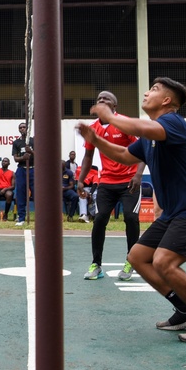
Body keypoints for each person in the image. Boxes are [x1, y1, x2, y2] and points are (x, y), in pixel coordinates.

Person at [77, 78, 186, 343]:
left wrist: (109, 117)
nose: (147, 93)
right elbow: (124, 155)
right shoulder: (150, 138)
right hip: (173, 214)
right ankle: (184, 310)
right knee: (137, 257)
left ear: (167, 100)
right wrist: (96, 140)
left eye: (154, 90)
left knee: (163, 262)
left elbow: (138, 127)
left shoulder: (174, 123)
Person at [78, 91, 144, 282]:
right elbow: (88, 156)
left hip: (129, 180)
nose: (102, 100)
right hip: (107, 181)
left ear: (115, 106)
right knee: (99, 219)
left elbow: (143, 150)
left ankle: (131, 261)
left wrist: (138, 174)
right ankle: (96, 265)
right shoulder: (93, 129)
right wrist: (81, 180)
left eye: (106, 99)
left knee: (131, 217)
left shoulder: (124, 123)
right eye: (99, 99)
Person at [12, 122, 35, 226]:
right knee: (20, 194)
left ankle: (40, 218)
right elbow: (15, 158)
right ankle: (21, 218)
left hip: (33, 169)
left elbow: (40, 156)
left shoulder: (33, 141)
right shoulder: (16, 142)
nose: (22, 129)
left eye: (24, 127)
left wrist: (31, 151)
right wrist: (23, 158)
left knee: (37, 193)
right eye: (20, 127)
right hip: (21, 169)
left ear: (27, 128)